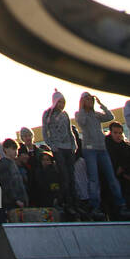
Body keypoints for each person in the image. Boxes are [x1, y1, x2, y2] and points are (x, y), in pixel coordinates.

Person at [74, 93, 129, 220]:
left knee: (112, 177)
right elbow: (81, 122)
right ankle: (95, 206)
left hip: (102, 149)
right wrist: (82, 107)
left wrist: (101, 104)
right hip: (90, 150)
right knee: (94, 179)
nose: (90, 102)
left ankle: (121, 204)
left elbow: (110, 116)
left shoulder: (96, 115)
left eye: (91, 100)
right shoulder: (80, 114)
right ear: (82, 101)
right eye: (87, 99)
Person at [42, 90, 81, 218]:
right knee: (64, 175)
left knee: (71, 175)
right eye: (59, 102)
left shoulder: (65, 114)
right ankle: (66, 202)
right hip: (57, 148)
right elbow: (45, 131)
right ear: (55, 102)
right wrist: (51, 145)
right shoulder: (48, 114)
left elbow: (69, 130)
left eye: (63, 102)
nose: (62, 105)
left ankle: (75, 203)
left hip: (68, 147)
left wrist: (73, 144)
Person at [0, 139, 29, 219]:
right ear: (5, 149)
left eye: (16, 149)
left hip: (20, 200)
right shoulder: (4, 164)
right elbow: (6, 184)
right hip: (12, 203)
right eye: (13, 149)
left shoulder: (13, 163)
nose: (15, 151)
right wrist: (16, 200)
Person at [104, 121, 130, 208]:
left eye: (120, 133)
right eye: (115, 133)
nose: (118, 135)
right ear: (110, 132)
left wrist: (123, 169)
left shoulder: (125, 147)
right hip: (110, 177)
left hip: (123, 175)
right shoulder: (105, 145)